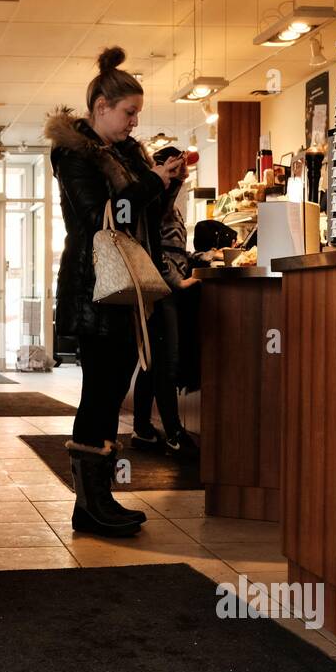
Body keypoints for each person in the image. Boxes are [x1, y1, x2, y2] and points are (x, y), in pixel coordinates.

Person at [44, 46, 185, 537]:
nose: (133, 122)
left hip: (122, 291)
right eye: (129, 113)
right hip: (95, 290)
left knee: (109, 391)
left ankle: (98, 501)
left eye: (137, 114)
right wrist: (150, 180)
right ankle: (90, 505)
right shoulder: (73, 154)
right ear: (101, 106)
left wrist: (165, 184)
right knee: (100, 394)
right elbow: (100, 217)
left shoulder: (125, 155)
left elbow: (140, 217)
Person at [131, 145, 199, 459]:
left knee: (153, 363)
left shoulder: (168, 205)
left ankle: (143, 429)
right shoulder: (154, 204)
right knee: (166, 364)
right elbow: (154, 251)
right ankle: (173, 433)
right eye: (175, 172)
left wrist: (195, 260)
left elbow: (173, 250)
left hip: (160, 290)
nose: (180, 178)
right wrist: (178, 281)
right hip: (159, 291)